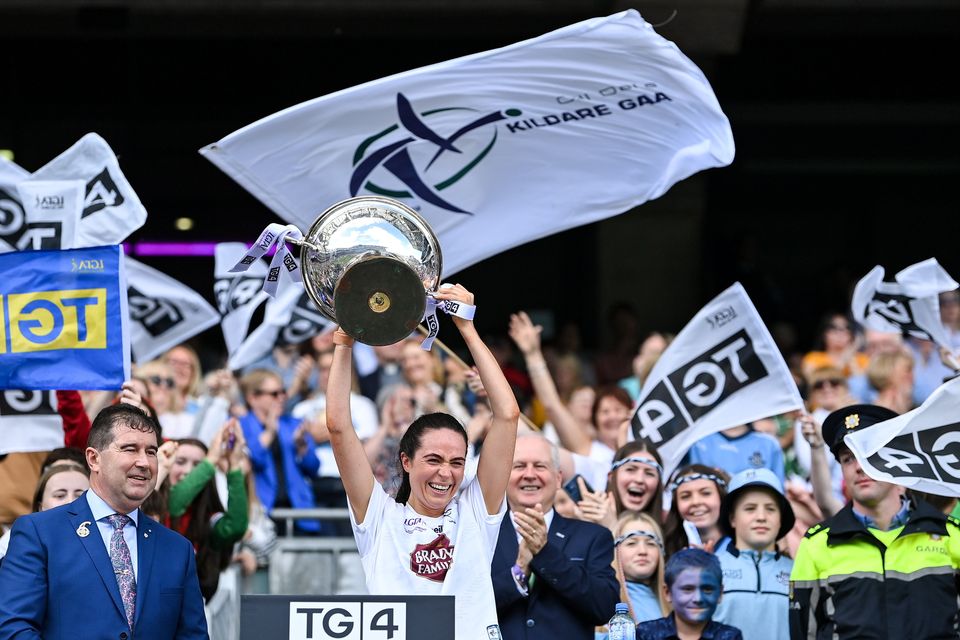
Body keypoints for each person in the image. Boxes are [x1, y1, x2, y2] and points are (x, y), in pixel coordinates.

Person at [326, 283, 520, 640]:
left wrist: (467, 327)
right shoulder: (380, 517)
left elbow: (507, 415)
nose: (446, 472)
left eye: (457, 462)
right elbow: (339, 428)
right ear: (406, 461)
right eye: (433, 459)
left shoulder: (476, 512)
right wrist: (344, 342)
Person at [0, 404, 208, 639]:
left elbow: (193, 635)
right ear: (93, 458)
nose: (144, 462)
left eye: (151, 452)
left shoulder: (177, 549)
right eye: (130, 449)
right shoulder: (39, 533)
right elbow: (14, 628)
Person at [790, 404, 960, 639]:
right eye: (848, 459)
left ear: (896, 458)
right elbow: (803, 632)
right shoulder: (816, 544)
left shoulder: (951, 535)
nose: (859, 467)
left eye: (868, 455)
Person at [491, 433, 619, 639]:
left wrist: (545, 553)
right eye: (519, 466)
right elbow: (464, 606)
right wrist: (518, 573)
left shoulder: (593, 537)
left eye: (540, 466)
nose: (529, 474)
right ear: (504, 476)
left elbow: (605, 608)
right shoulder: (480, 535)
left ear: (558, 478)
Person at [239, 368, 324, 535]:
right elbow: (251, 461)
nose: (282, 397)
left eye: (283, 392)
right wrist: (269, 433)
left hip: (299, 513)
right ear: (253, 398)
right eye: (274, 393)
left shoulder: (293, 423)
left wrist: (302, 447)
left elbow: (314, 468)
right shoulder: (240, 425)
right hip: (261, 515)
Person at [713, 468, 795, 640]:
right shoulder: (711, 569)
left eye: (770, 509)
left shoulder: (799, 572)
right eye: (750, 508)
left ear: (781, 519)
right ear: (732, 519)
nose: (761, 517)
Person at [636, 548, 743, 640]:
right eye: (687, 589)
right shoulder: (646, 634)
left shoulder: (729, 637)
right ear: (668, 593)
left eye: (707, 590)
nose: (698, 598)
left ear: (720, 593)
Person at [0, 464, 91, 566]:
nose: (70, 501)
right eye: (60, 495)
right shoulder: (19, 539)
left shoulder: (109, 536)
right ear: (40, 506)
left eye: (80, 496)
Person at [604, 511, 669, 636]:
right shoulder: (599, 599)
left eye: (651, 543)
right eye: (631, 543)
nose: (643, 551)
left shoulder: (674, 601)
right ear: (614, 550)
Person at [663, 465, 731, 555]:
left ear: (721, 497)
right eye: (685, 496)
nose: (696, 502)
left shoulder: (745, 545)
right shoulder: (663, 551)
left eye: (705, 493)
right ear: (676, 505)